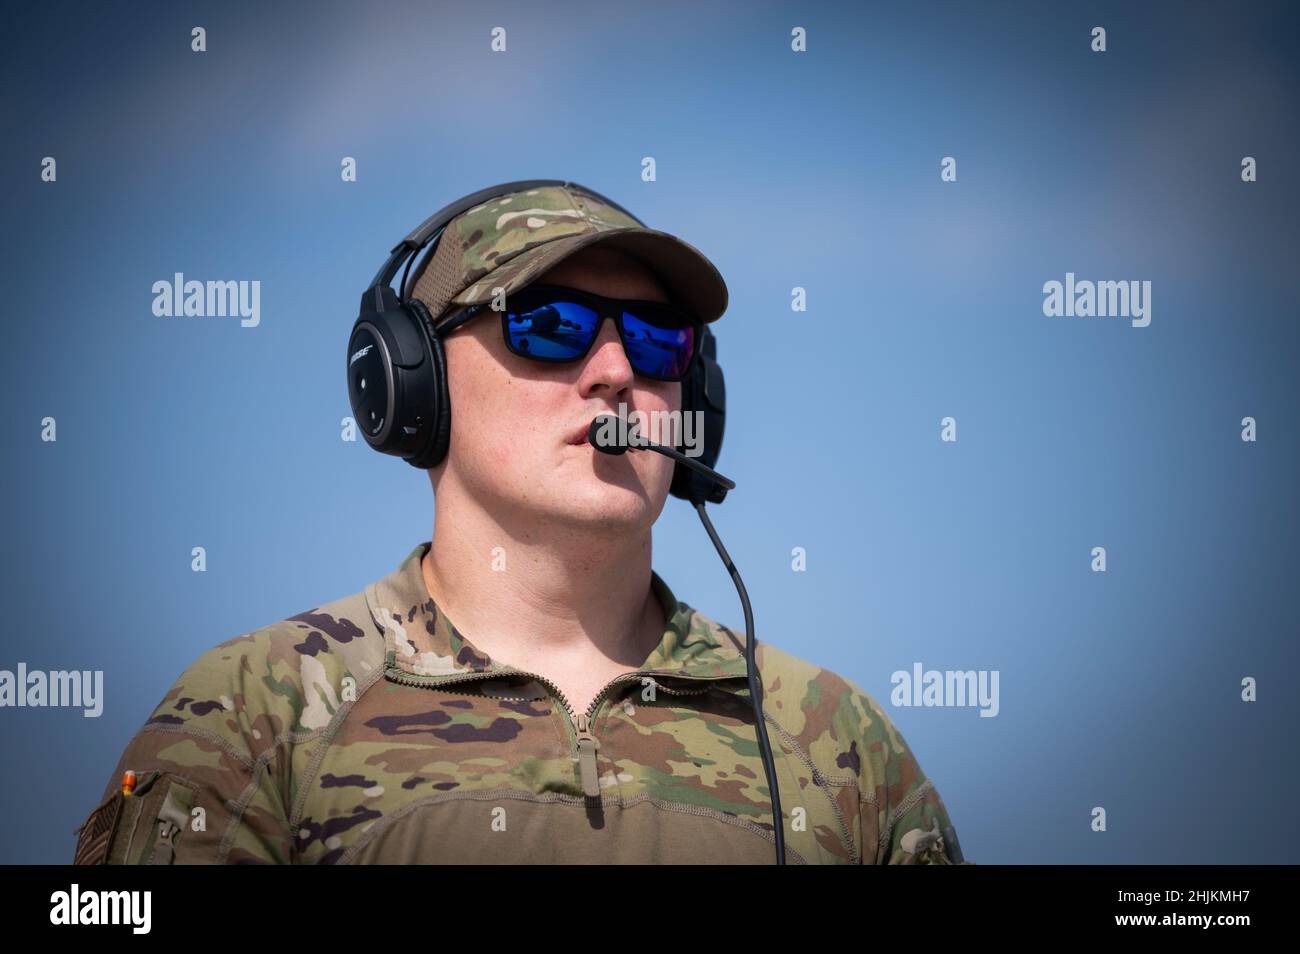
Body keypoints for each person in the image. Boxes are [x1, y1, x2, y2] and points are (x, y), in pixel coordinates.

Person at [73, 183, 968, 865]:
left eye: (658, 340)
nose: (617, 369)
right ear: (408, 383)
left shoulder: (834, 739)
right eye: (550, 325)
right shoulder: (254, 712)